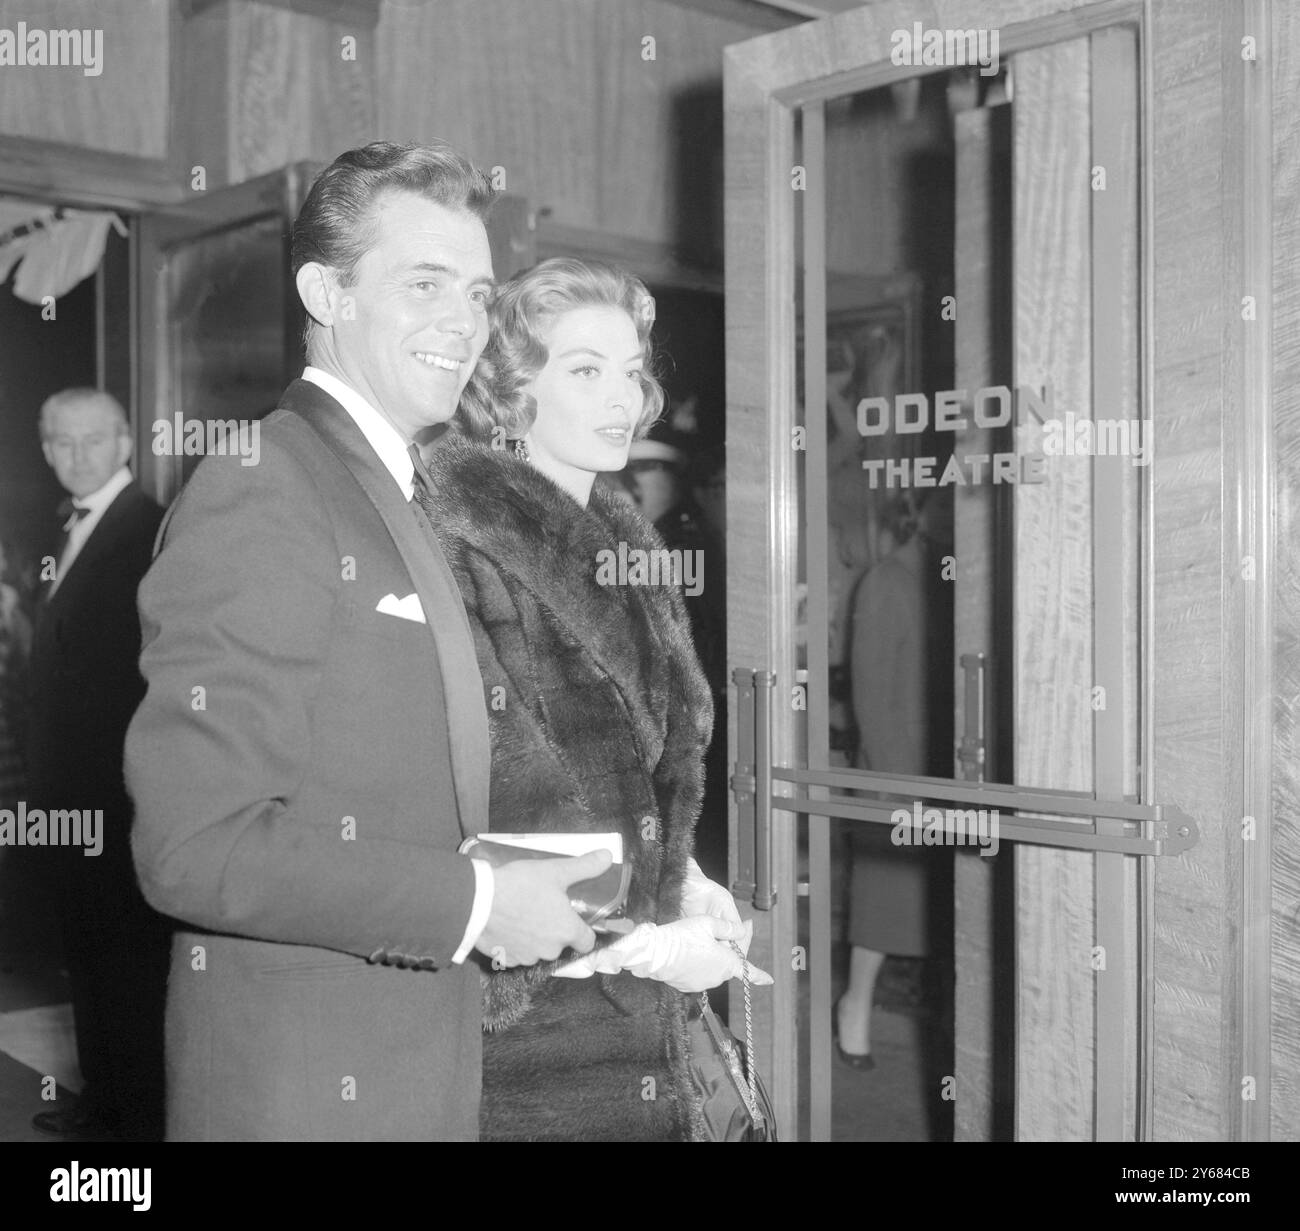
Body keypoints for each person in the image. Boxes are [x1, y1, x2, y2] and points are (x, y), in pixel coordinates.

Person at [125, 141, 608, 1142]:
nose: (463, 324)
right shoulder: (269, 485)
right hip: (302, 1090)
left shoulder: (387, 482)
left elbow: (381, 763)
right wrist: (476, 902)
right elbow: (193, 846)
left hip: (410, 1061)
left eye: (477, 294)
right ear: (326, 292)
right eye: (423, 283)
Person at [419, 257, 768, 1142]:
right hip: (537, 1014)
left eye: (631, 370)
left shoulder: (623, 536)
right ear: (510, 389)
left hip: (629, 998)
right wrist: (642, 939)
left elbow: (651, 759)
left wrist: (682, 877)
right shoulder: (456, 539)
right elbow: (494, 785)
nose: (623, 398)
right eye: (584, 369)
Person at [24, 388, 171, 1140]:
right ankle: (103, 1101)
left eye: (93, 441)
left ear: (123, 445)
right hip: (75, 798)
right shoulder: (77, 529)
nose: (76, 456)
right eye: (61, 443)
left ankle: (134, 1120)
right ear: (47, 451)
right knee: (88, 954)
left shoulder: (144, 530)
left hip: (116, 799)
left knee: (124, 965)